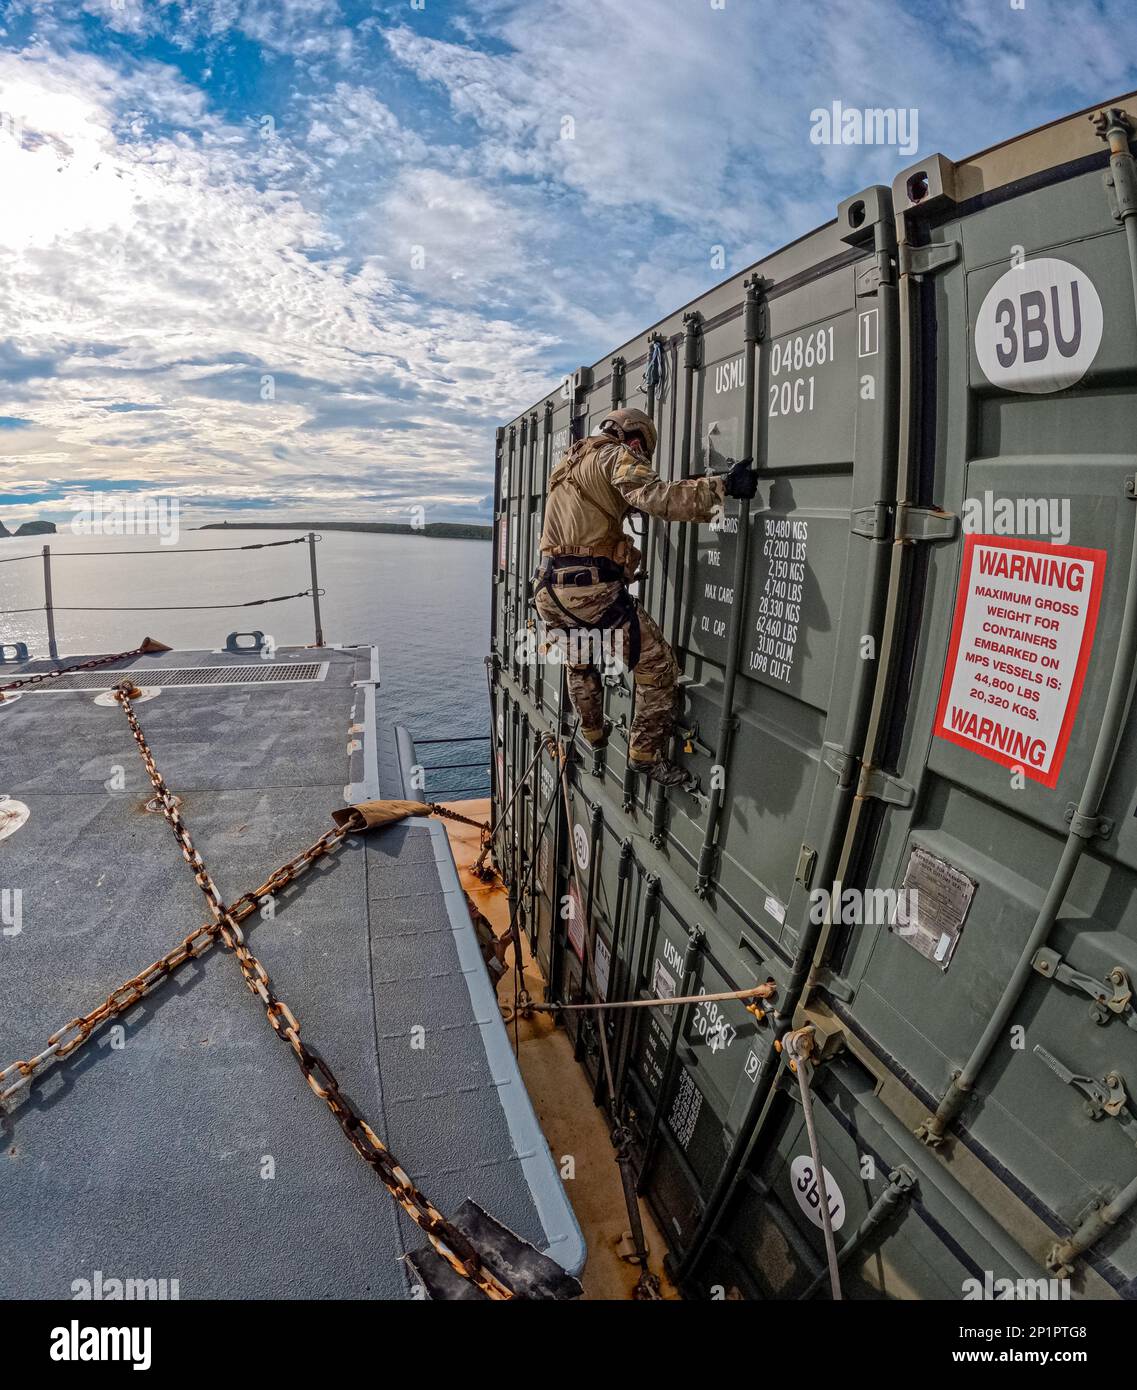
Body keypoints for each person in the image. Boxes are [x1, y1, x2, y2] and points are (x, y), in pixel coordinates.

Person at [533, 405, 757, 788]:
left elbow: (582, 529)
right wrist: (721, 487)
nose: (639, 453)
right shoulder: (613, 455)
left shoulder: (567, 464)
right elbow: (653, 497)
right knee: (658, 669)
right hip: (590, 592)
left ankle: (595, 737)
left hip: (549, 591)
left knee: (580, 665)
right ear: (633, 437)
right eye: (640, 446)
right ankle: (644, 756)